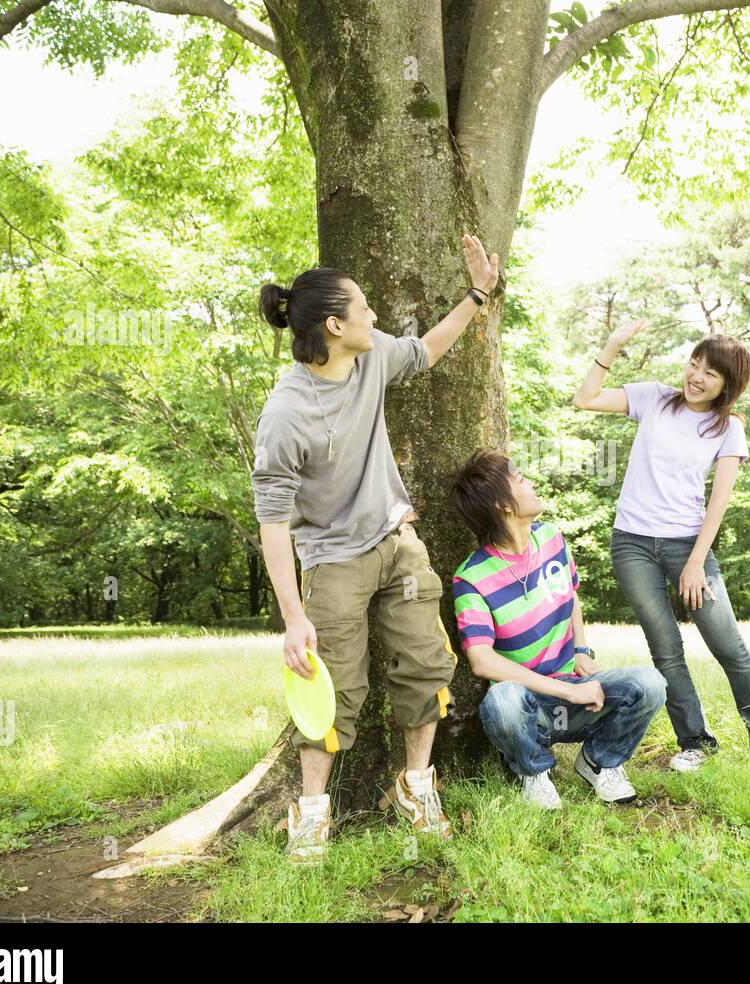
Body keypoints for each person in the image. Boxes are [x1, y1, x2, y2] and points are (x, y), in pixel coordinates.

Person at [250, 235, 498, 862]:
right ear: (334, 325)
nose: (375, 317)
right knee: (331, 687)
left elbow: (427, 348)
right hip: (332, 561)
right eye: (363, 308)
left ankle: (416, 786)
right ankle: (311, 812)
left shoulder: (371, 358)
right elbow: (273, 525)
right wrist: (293, 618)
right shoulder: (285, 414)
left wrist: (477, 295)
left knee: (426, 666)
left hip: (398, 544)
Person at [572, 320, 750, 772]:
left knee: (727, 644)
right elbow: (585, 399)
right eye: (694, 364)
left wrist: (694, 564)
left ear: (728, 384)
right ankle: (695, 742)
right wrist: (612, 343)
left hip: (689, 544)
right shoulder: (654, 398)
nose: (696, 376)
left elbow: (719, 502)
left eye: (711, 372)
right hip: (631, 544)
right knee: (665, 649)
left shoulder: (728, 428)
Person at [448, 450, 666, 808]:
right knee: (502, 701)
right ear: (502, 504)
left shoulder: (551, 538)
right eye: (520, 480)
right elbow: (481, 661)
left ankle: (600, 761)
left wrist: (581, 651)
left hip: (576, 689)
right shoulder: (470, 578)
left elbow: (571, 594)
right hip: (529, 706)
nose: (531, 483)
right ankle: (533, 772)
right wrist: (566, 693)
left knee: (650, 684)